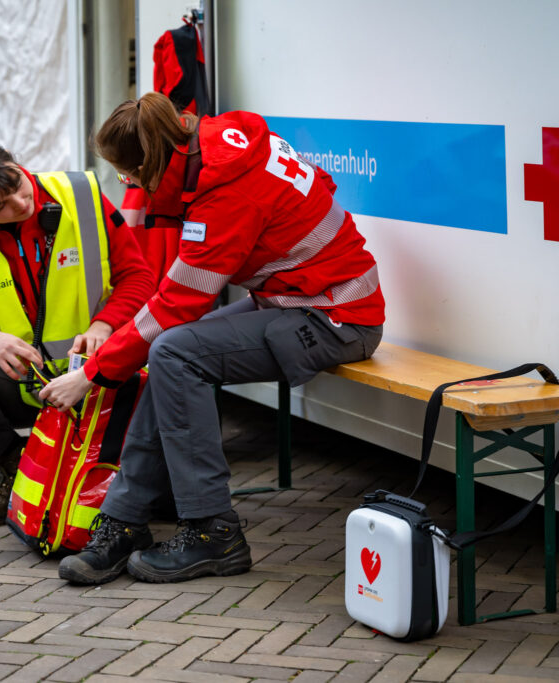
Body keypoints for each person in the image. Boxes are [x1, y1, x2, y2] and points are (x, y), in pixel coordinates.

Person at [41, 92, 385, 584]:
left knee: (176, 351)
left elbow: (178, 303)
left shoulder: (225, 194)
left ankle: (212, 533)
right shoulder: (225, 143)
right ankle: (125, 519)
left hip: (338, 319)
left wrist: (93, 375)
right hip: (301, 301)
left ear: (151, 164)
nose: (130, 185)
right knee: (171, 352)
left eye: (129, 176)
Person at [0, 138, 155, 526]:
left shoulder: (81, 196)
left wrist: (104, 324)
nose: (21, 205)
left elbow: (138, 276)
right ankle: (16, 466)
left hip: (95, 375)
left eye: (17, 185)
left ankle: (93, 475)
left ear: (14, 162)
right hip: (21, 383)